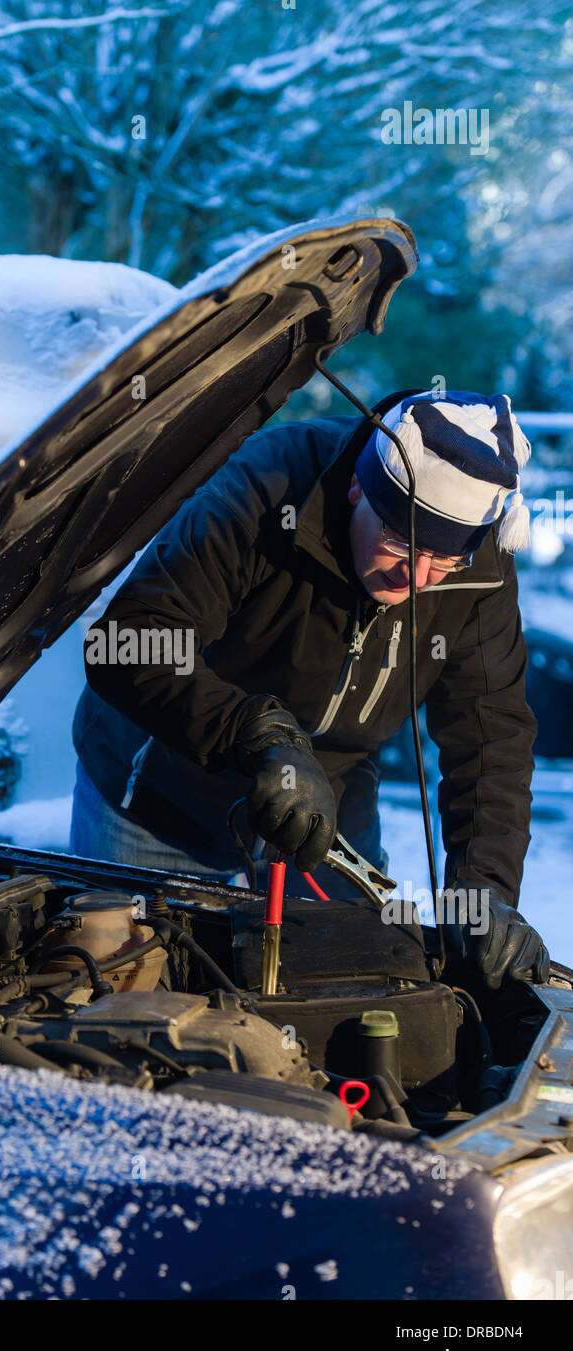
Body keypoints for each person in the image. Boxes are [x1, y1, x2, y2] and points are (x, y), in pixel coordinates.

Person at [70, 388, 550, 989]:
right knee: (119, 1002)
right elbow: (127, 642)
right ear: (357, 487)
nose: (418, 577)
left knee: (343, 1001)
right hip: (164, 795)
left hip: (332, 816)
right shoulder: (269, 483)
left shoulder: (476, 560)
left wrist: (485, 890)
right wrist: (257, 735)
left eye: (442, 560)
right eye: (401, 541)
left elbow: (491, 738)